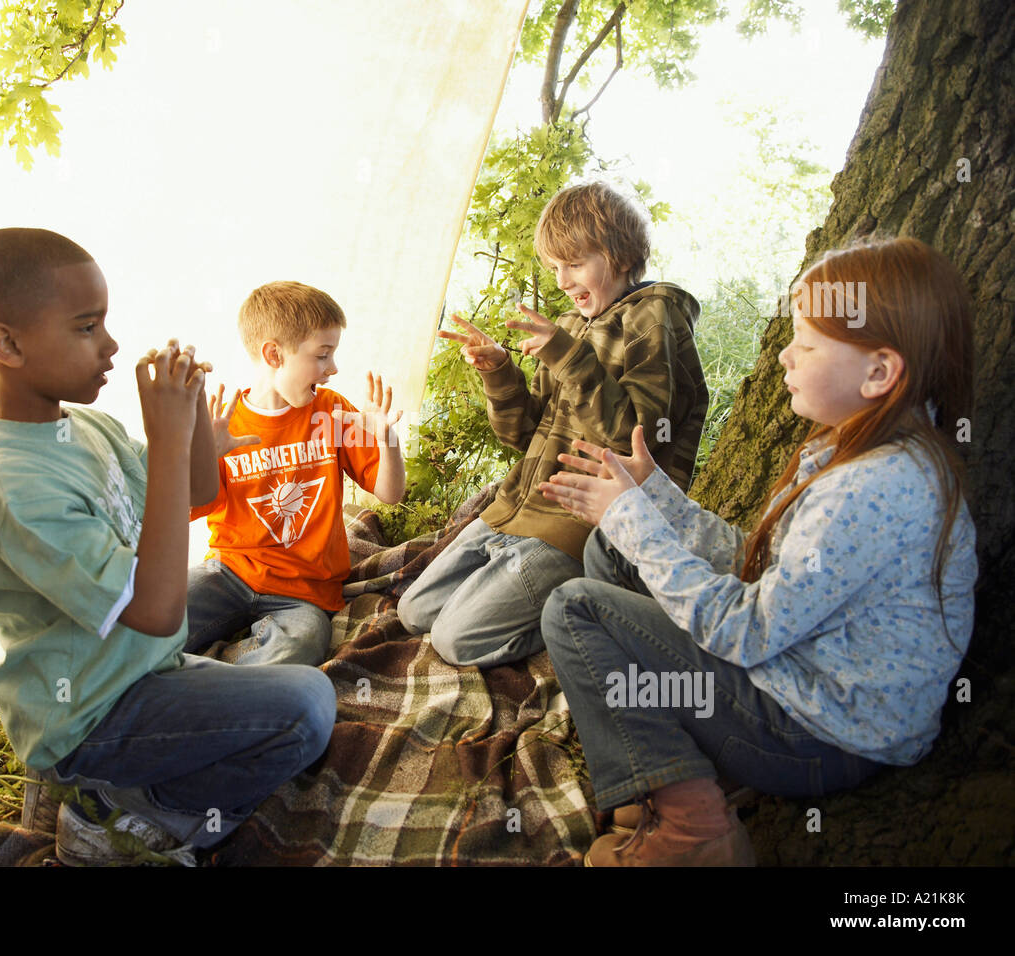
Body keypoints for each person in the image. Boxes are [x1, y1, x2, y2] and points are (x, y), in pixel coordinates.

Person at [538, 236, 978, 866]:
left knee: (575, 609)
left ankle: (696, 832)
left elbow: (746, 629)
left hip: (819, 736)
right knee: (614, 550)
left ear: (879, 372)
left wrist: (637, 520)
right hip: (801, 682)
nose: (784, 360)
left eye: (807, 345)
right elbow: (761, 564)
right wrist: (654, 500)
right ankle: (662, 777)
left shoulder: (872, 488)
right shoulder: (867, 455)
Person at [0, 229, 336, 865]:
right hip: (90, 713)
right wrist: (164, 437)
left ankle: (114, 793)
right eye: (86, 327)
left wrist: (188, 430)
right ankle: (125, 819)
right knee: (306, 706)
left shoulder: (87, 426)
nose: (111, 345)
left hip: (142, 674)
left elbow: (190, 494)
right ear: (7, 343)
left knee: (295, 701)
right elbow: (158, 612)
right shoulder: (13, 482)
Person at [397, 181, 708, 667]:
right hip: (515, 507)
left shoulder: (655, 316)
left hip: (577, 525)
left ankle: (581, 617)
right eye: (553, 267)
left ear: (621, 256)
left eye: (575, 263)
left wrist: (567, 355)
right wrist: (499, 371)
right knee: (414, 612)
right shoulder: (567, 326)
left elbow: (637, 439)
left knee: (456, 640)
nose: (562, 280)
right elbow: (522, 435)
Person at [186, 280, 406, 665]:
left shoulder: (330, 411)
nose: (333, 368)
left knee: (299, 648)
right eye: (323, 355)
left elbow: (390, 493)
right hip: (228, 573)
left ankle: (224, 690)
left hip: (304, 593)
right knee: (148, 619)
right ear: (273, 354)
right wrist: (203, 456)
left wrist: (387, 440)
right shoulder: (224, 422)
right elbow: (187, 508)